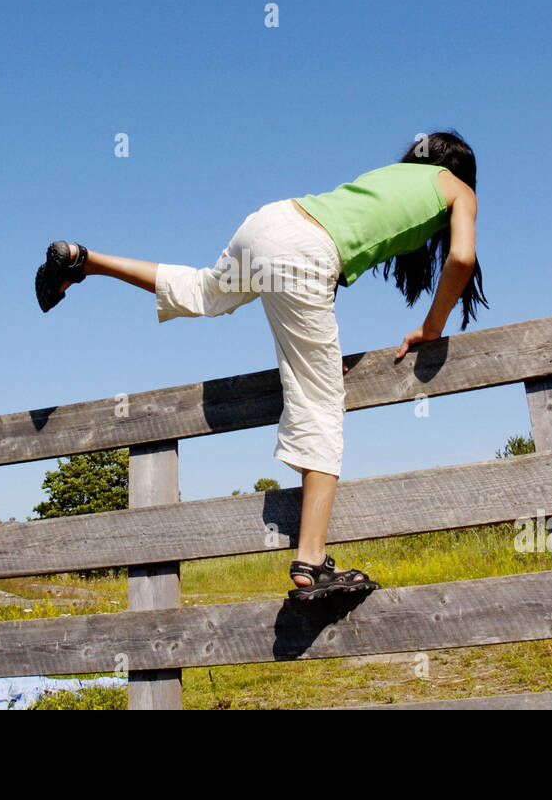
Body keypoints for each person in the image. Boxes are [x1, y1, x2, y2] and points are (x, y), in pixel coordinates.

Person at [35, 130, 488, 600]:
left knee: (204, 291)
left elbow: (326, 247)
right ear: (460, 169)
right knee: (320, 405)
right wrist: (432, 327)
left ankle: (84, 261)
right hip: (305, 251)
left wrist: (319, 353)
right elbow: (461, 256)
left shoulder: (390, 177)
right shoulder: (460, 190)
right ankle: (311, 561)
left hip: (273, 220)